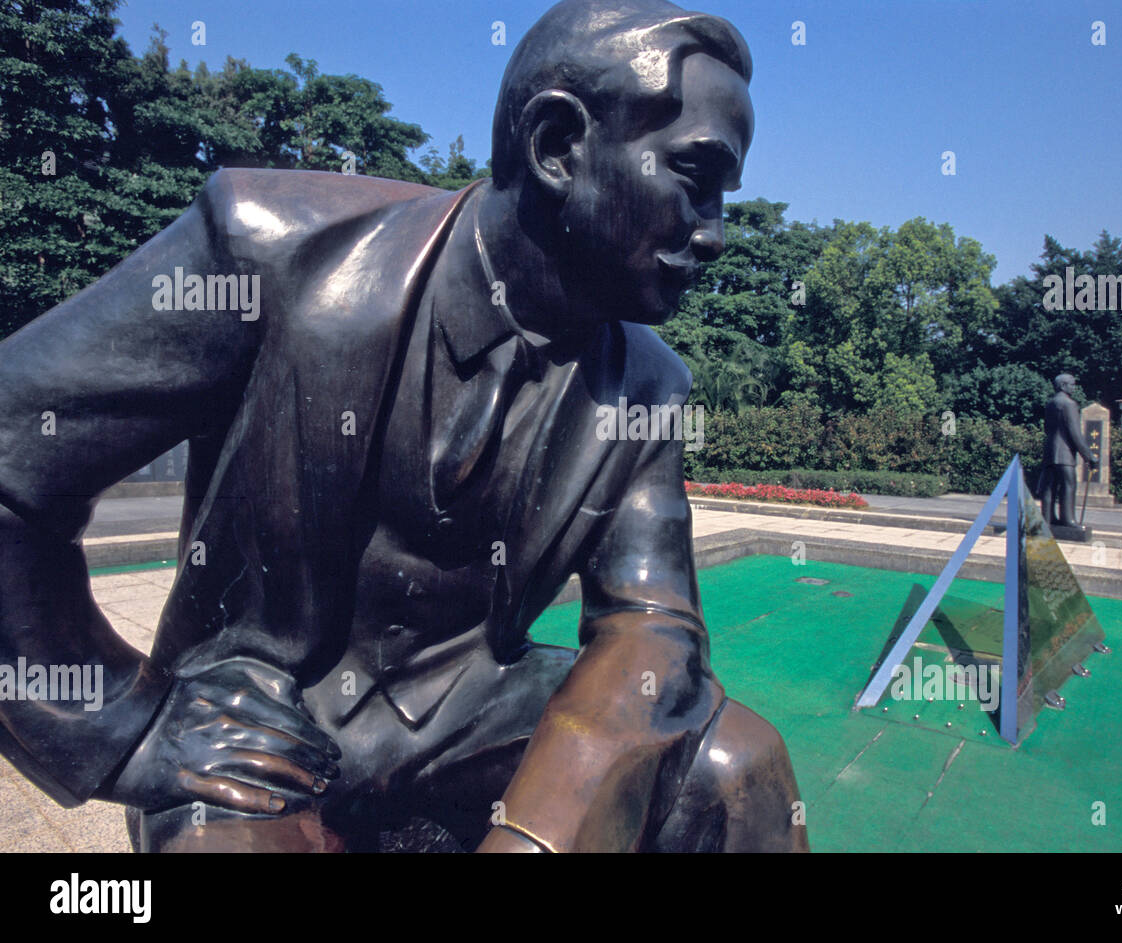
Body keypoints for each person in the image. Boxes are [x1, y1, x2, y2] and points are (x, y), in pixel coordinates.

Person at [0, 0, 807, 853]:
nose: (715, 233)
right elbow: (12, 451)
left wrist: (541, 833)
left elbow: (654, 625)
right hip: (261, 718)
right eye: (695, 176)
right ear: (557, 147)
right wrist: (128, 723)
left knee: (737, 764)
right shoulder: (269, 252)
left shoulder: (650, 383)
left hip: (477, 715)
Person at [1038, 374, 1099, 528]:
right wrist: (1089, 456)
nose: (1074, 387)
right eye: (1072, 384)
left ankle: (1048, 518)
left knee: (1049, 486)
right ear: (1063, 385)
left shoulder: (1050, 403)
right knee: (1068, 485)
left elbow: (1047, 428)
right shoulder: (1069, 404)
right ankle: (1068, 520)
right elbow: (1075, 432)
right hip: (1064, 452)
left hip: (1050, 450)